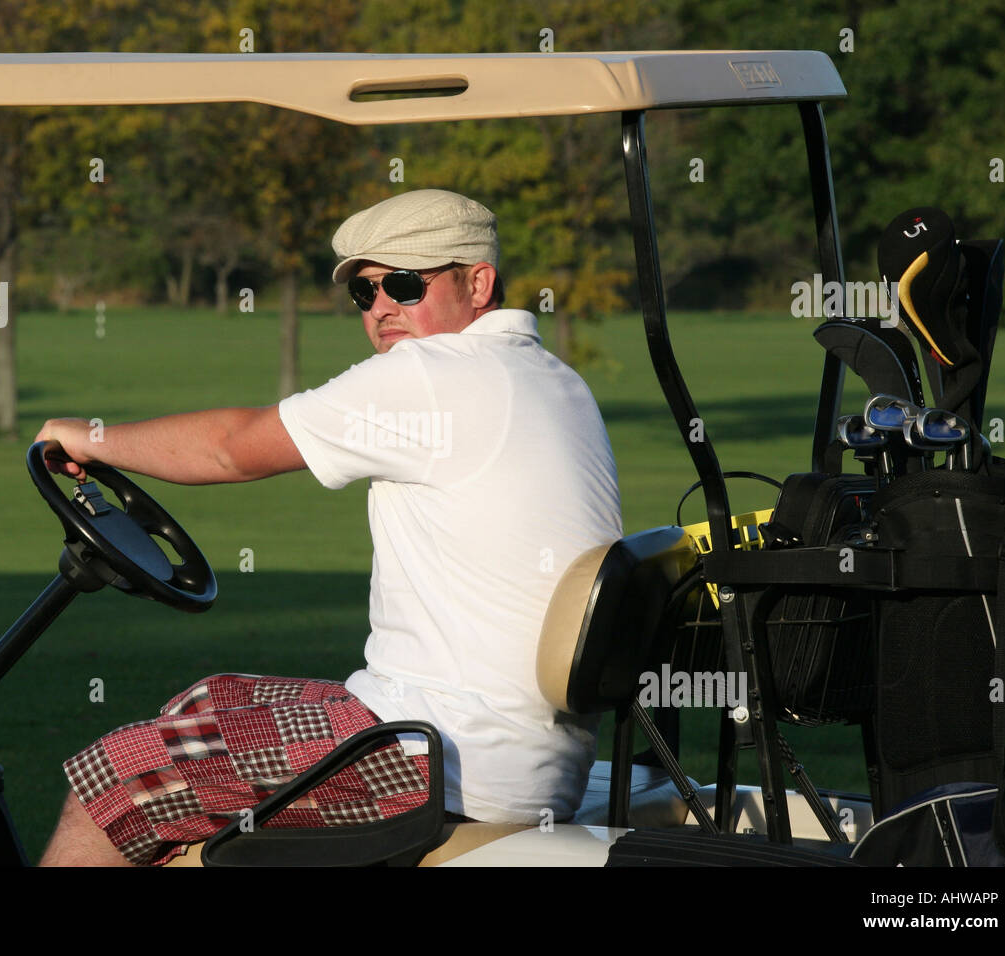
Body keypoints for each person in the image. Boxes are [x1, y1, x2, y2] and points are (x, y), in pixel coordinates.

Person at [36, 189, 622, 866]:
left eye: (404, 284)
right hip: (507, 748)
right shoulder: (551, 377)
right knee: (204, 701)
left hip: (440, 757)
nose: (382, 309)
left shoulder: (435, 374)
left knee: (115, 777)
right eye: (365, 293)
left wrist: (91, 437)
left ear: (479, 282)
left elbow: (233, 447)